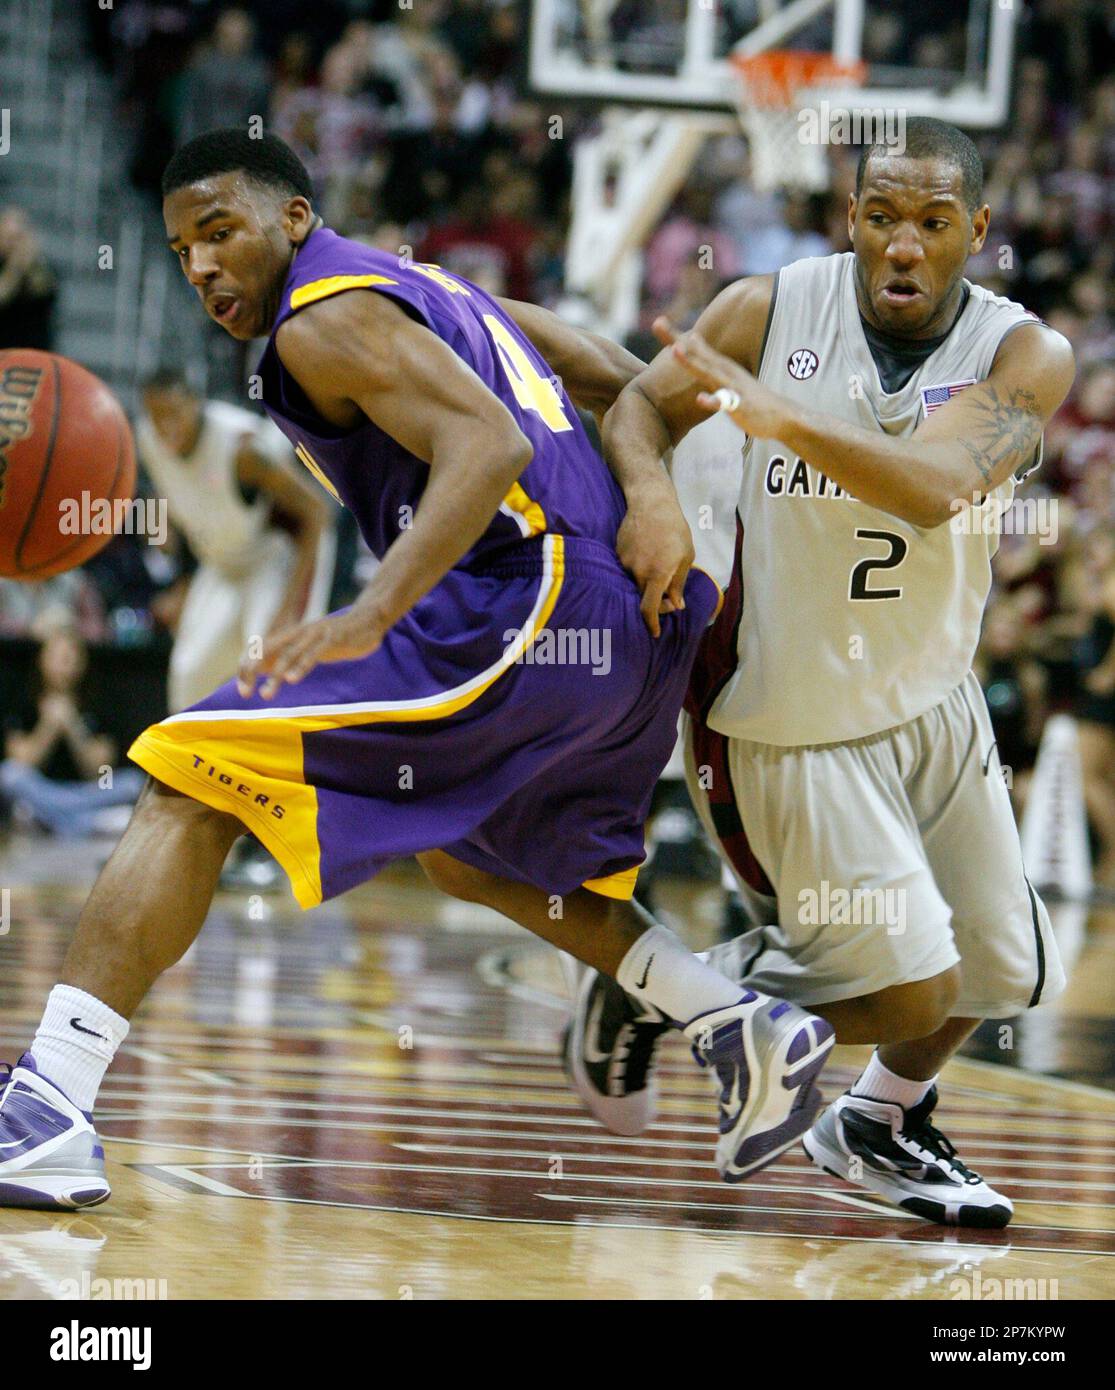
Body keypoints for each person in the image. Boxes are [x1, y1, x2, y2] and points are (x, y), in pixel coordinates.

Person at [0, 129, 835, 1211]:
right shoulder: (426, 285)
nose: (202, 265)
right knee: (464, 854)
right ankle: (739, 1026)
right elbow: (599, 368)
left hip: (526, 601)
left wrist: (370, 610)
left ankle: (48, 1107)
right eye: (180, 250)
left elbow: (487, 445)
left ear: (291, 221)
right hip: (629, 628)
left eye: (220, 232)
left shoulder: (320, 316)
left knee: (188, 771)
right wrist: (647, 482)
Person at [567, 118, 1075, 1229]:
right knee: (905, 985)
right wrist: (650, 496)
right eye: (880, 217)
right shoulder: (765, 307)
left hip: (931, 702)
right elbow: (641, 409)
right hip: (785, 709)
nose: (902, 245)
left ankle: (875, 1120)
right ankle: (661, 992)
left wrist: (776, 415)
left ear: (974, 232)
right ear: (849, 218)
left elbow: (937, 487)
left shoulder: (1021, 353)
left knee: (997, 973)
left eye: (932, 223)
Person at [137, 369, 330, 713]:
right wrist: (181, 583)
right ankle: (189, 766)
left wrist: (288, 611)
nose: (166, 426)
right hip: (220, 564)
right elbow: (186, 506)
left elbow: (318, 512)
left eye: (174, 414)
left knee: (266, 668)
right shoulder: (148, 439)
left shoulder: (243, 451)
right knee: (189, 676)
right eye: (157, 417)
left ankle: (282, 765)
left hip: (273, 558)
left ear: (196, 404)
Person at [1, 628, 146, 837]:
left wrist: (73, 727)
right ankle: (86, 822)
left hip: (88, 790)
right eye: (58, 658)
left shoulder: (97, 702)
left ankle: (52, 819)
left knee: (133, 783)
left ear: (83, 662)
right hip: (43, 789)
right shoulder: (25, 701)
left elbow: (102, 769)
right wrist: (48, 727)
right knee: (8, 775)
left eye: (71, 658)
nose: (65, 666)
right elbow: (21, 761)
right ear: (42, 660)